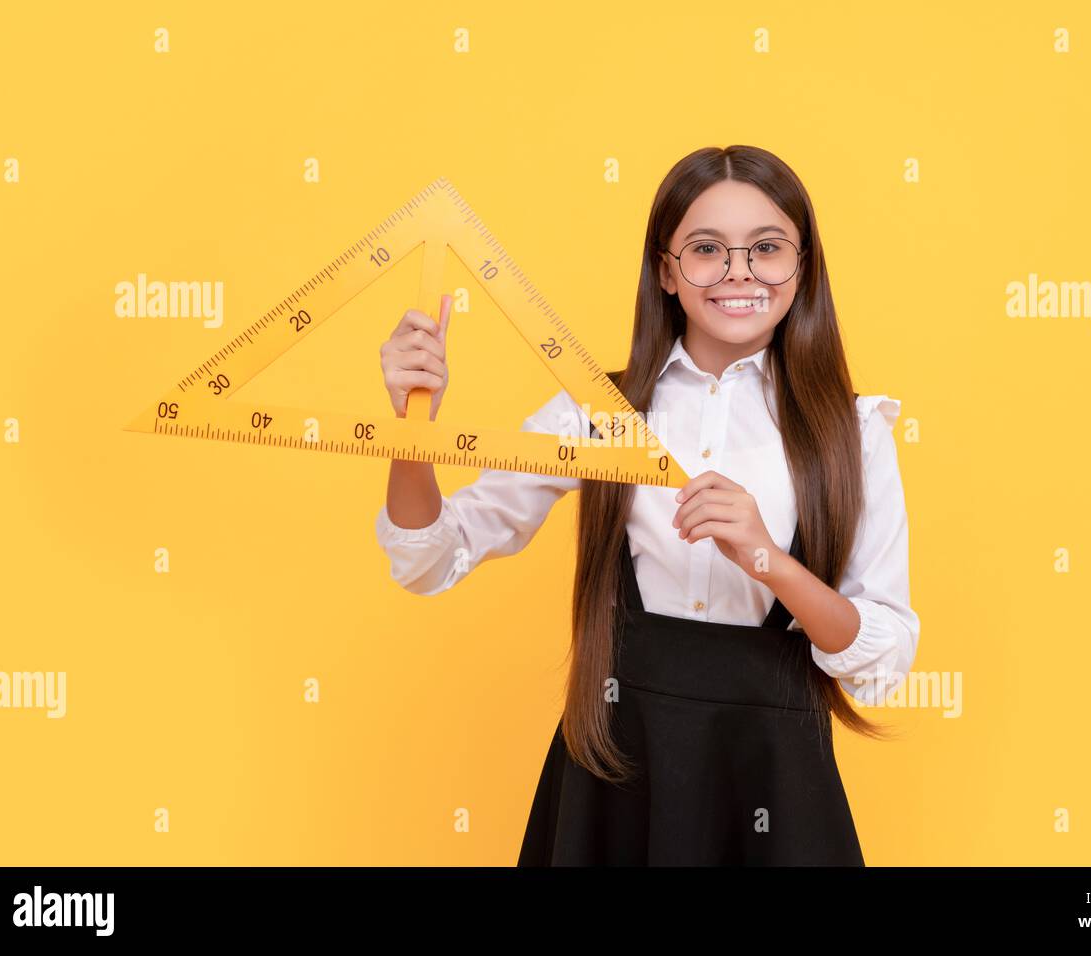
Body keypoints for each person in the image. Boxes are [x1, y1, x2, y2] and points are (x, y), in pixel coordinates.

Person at [375, 144, 920, 865]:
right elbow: (432, 557)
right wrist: (413, 425)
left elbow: (881, 663)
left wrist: (767, 558)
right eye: (705, 249)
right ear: (666, 270)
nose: (738, 272)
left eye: (766, 248)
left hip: (774, 783)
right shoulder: (597, 414)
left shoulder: (852, 433)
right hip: (615, 774)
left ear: (803, 265)